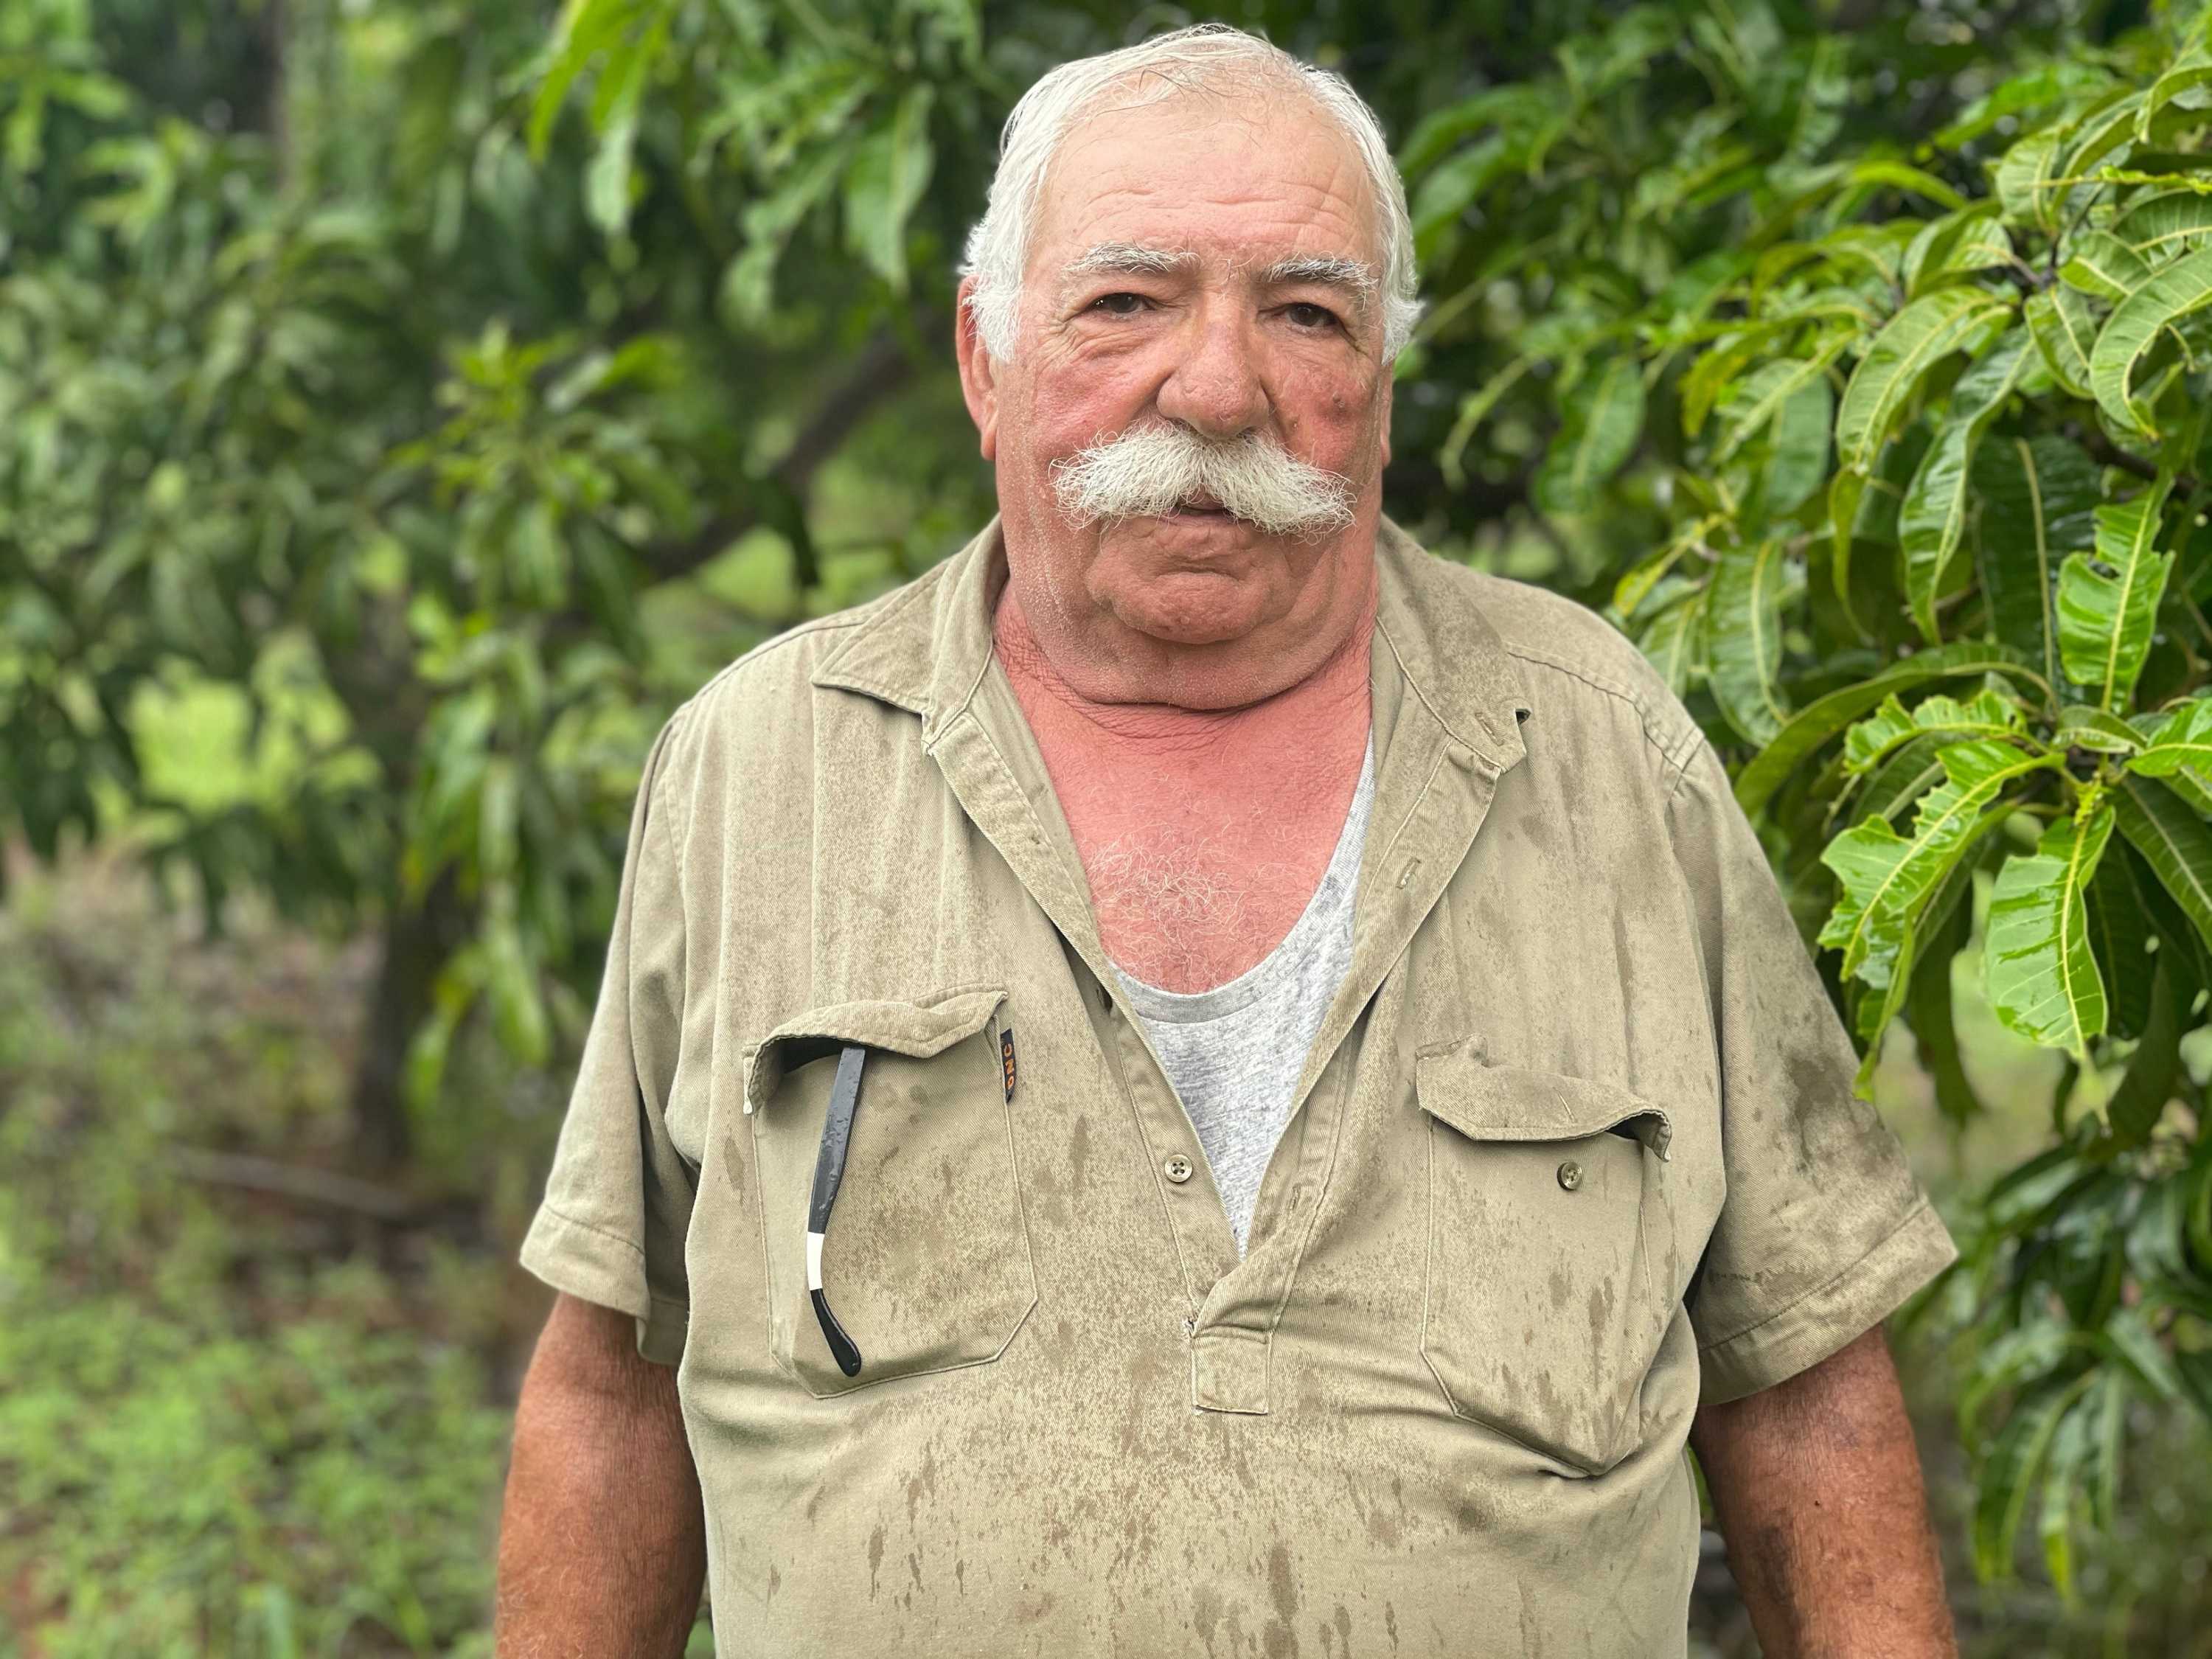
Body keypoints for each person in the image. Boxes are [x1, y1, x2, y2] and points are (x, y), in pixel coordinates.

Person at [494, 25, 1961, 1658]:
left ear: (1382, 396)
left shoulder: (1605, 752)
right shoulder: (761, 765)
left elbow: (1806, 1379)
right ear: (987, 360)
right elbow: (617, 1382)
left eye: (1306, 313)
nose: (1217, 387)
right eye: (1126, 303)